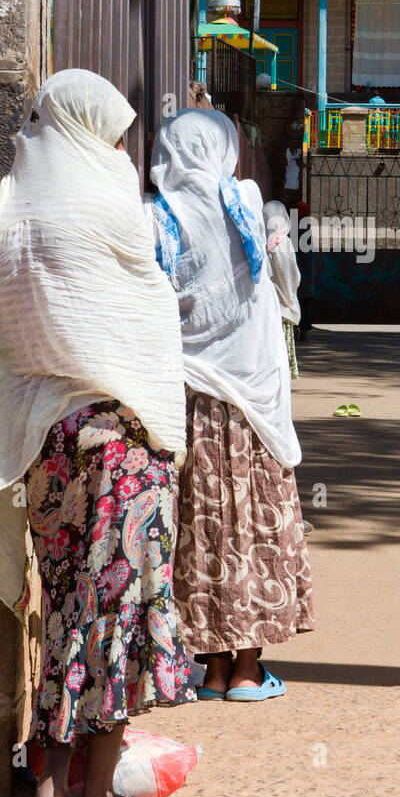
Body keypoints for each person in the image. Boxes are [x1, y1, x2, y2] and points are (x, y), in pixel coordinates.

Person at [0, 70, 195, 797]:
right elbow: (146, 315)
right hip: (122, 441)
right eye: (117, 132)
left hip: (45, 444)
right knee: (118, 617)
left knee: (63, 607)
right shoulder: (112, 201)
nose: (123, 147)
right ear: (91, 127)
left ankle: (49, 792)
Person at [147, 109, 314, 702]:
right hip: (253, 402)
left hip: (190, 397)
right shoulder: (241, 199)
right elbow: (279, 279)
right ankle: (247, 671)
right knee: (252, 523)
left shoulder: (156, 214)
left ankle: (211, 671)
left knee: (203, 526)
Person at [264, 200, 301, 379]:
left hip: (266, 307)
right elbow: (291, 276)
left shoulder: (261, 241)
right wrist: (290, 296)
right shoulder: (283, 242)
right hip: (283, 307)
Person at [295, 199, 315, 341]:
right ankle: (304, 331)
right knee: (306, 301)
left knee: (295, 300)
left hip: (295, 271)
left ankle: (295, 327)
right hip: (306, 272)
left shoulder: (291, 229)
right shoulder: (306, 229)